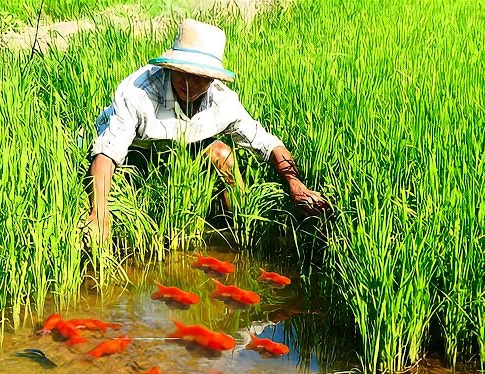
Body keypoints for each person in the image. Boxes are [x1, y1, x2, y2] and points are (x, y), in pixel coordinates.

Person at [83, 18, 329, 239]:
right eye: (183, 73)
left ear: (213, 79)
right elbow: (107, 153)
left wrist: (295, 182)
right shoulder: (139, 93)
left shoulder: (222, 102)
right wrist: (99, 214)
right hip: (133, 152)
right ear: (170, 67)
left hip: (183, 151)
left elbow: (266, 143)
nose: (189, 84)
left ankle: (238, 231)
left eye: (200, 77)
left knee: (223, 155)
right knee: (113, 187)